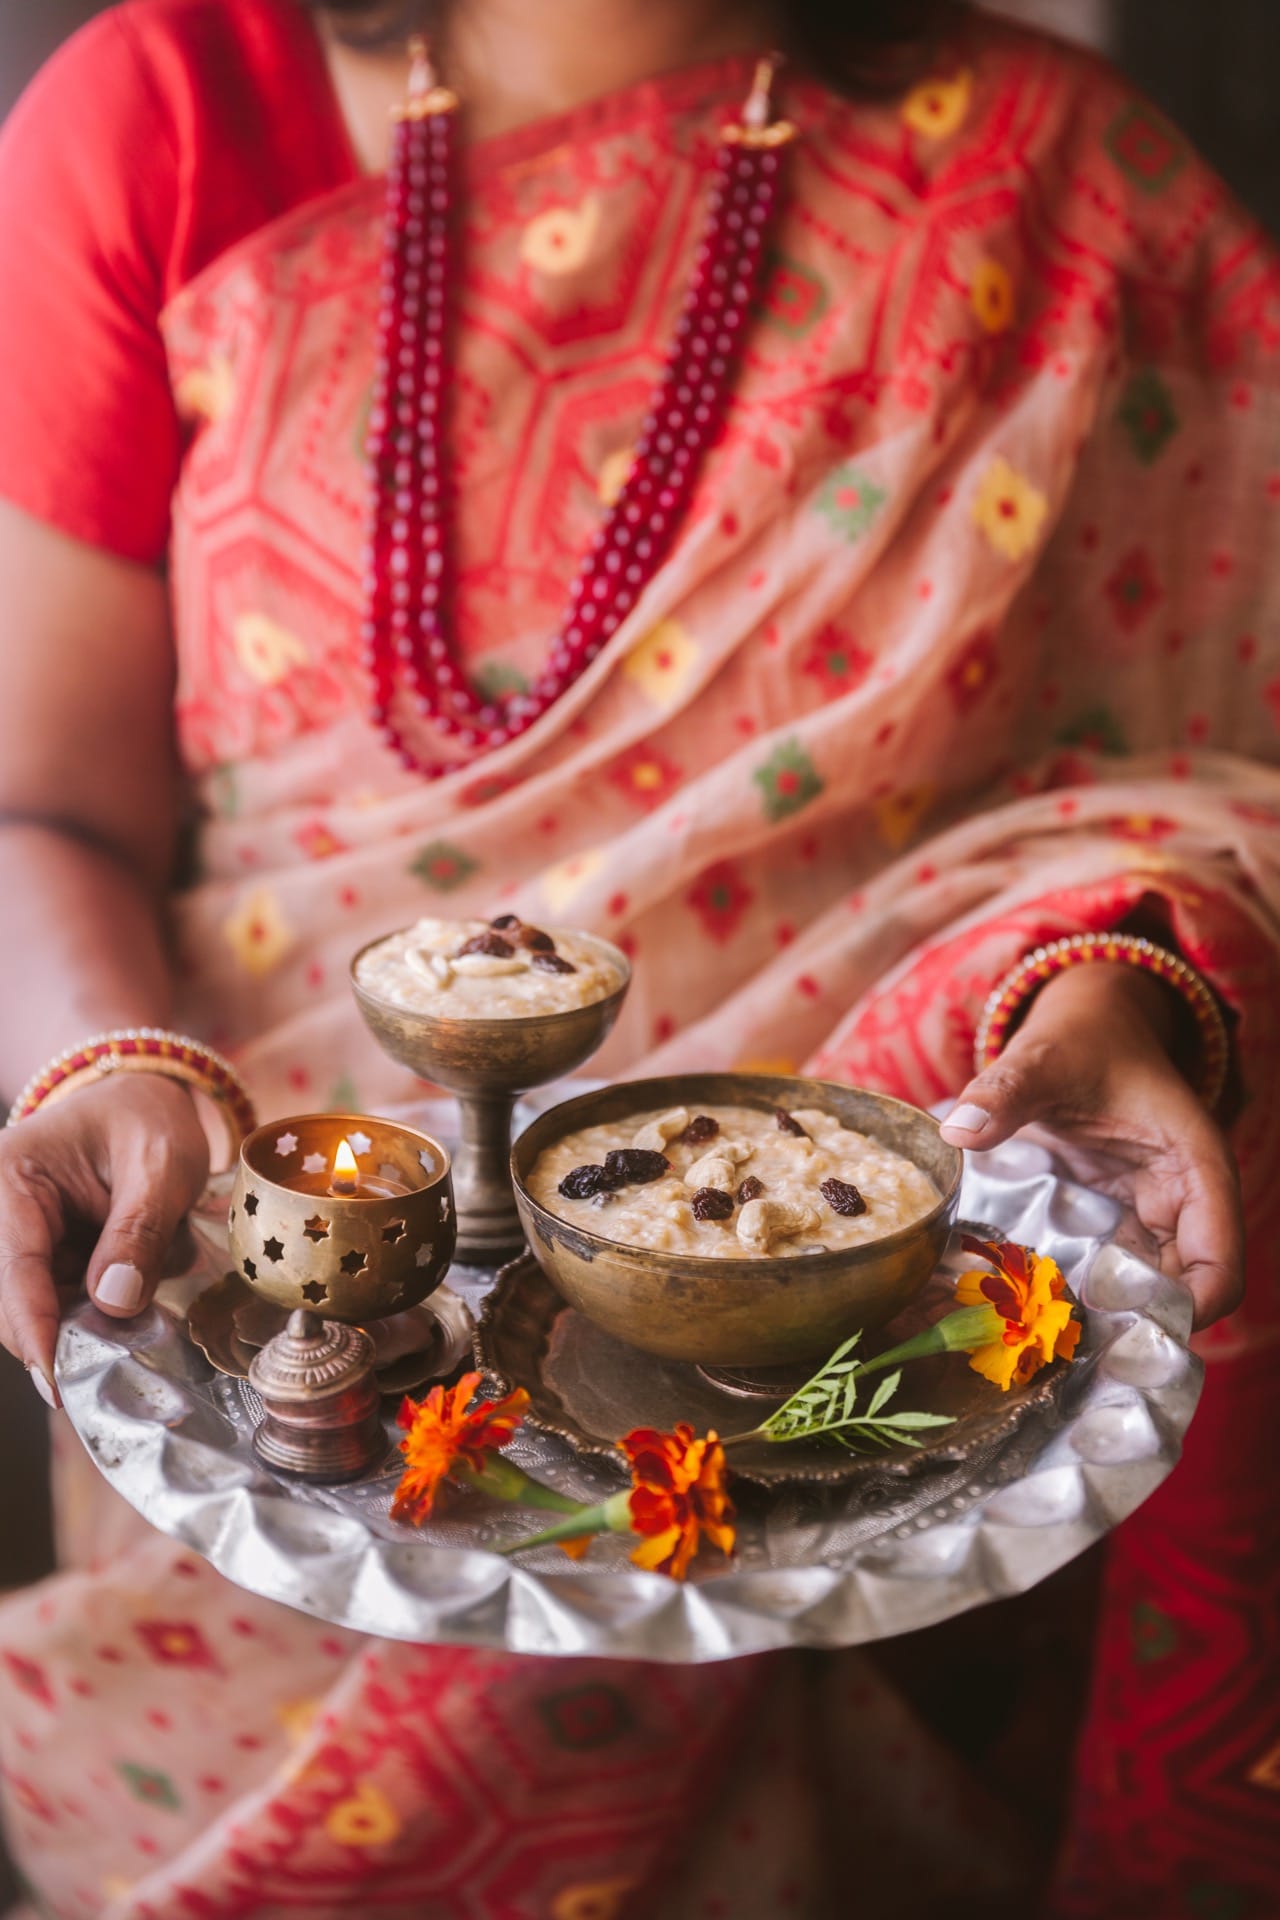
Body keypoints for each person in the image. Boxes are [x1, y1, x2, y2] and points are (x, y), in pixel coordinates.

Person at [0, 0, 1276, 1914]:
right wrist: (113, 1078)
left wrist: (1113, 981)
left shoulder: (1071, 188)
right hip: (290, 1320)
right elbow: (48, 812)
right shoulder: (172, 114)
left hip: (875, 1400)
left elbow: (1215, 767)